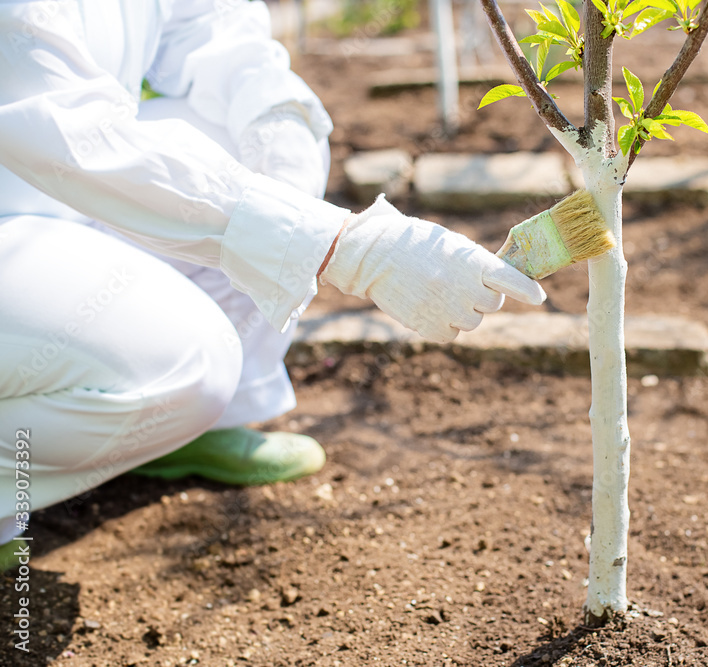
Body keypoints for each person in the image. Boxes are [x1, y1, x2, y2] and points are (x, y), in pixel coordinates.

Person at [0, 0, 545, 570]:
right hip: (28, 204)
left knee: (274, 131)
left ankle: (197, 427)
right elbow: (74, 136)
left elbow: (212, 25)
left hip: (56, 201)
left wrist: (274, 114)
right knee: (187, 359)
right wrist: (339, 246)